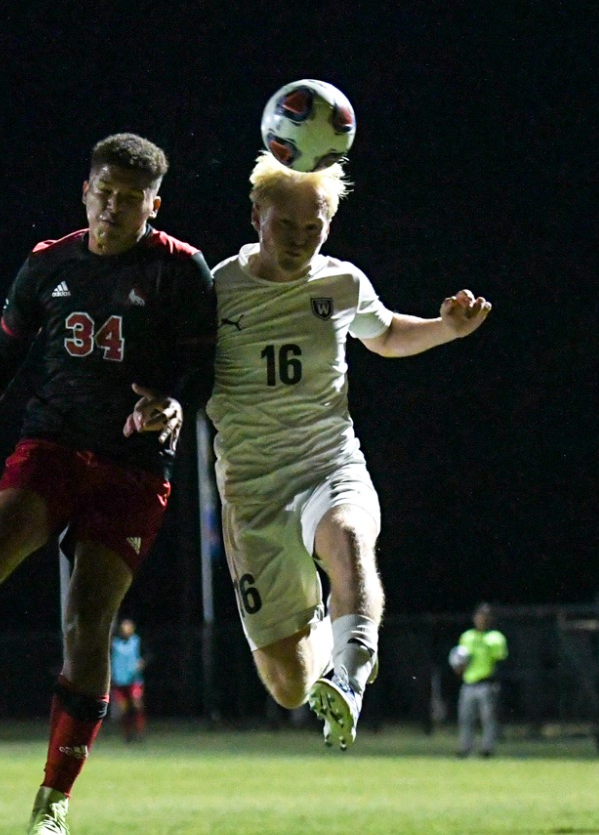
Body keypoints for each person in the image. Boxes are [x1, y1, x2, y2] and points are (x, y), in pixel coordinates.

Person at [0, 134, 215, 835]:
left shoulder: (182, 270)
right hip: (52, 448)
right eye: (104, 191)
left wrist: (175, 405)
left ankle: (53, 800)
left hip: (133, 468)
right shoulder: (46, 264)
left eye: (131, 197)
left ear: (155, 204)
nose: (113, 207)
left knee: (88, 626)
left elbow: (201, 367)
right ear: (85, 190)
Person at [208, 155, 491, 749]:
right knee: (288, 685)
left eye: (315, 228)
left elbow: (384, 333)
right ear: (256, 215)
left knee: (349, 538)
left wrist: (445, 328)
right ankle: (316, 641)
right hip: (254, 490)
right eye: (287, 226)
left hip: (328, 462)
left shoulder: (341, 284)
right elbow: (177, 368)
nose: (301, 241)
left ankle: (353, 677)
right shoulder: (217, 291)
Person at [450, 603, 509, 757]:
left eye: (485, 617)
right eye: (479, 616)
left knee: (488, 719)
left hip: (486, 683)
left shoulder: (495, 638)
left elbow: (500, 662)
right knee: (466, 719)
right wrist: (459, 667)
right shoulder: (467, 636)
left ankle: (487, 749)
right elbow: (460, 660)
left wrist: (496, 683)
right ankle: (465, 748)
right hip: (469, 683)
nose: (481, 619)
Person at [109, 617, 147, 742]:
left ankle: (140, 732)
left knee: (137, 705)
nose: (126, 630)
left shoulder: (137, 641)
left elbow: (147, 654)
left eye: (129, 627)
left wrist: (142, 662)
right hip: (120, 681)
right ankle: (128, 734)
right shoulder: (115, 643)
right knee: (124, 709)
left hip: (134, 680)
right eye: (124, 627)